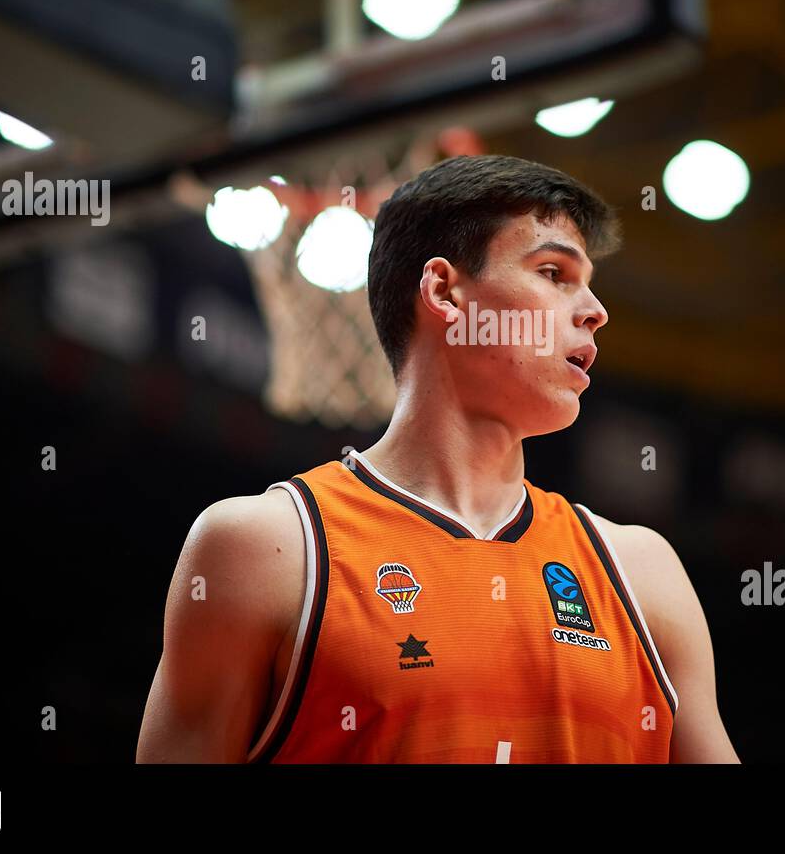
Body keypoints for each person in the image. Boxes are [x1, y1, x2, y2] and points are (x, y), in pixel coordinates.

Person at [137, 154, 740, 763]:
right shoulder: (266, 548)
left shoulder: (641, 573)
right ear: (446, 292)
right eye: (554, 272)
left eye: (587, 282)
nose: (595, 310)